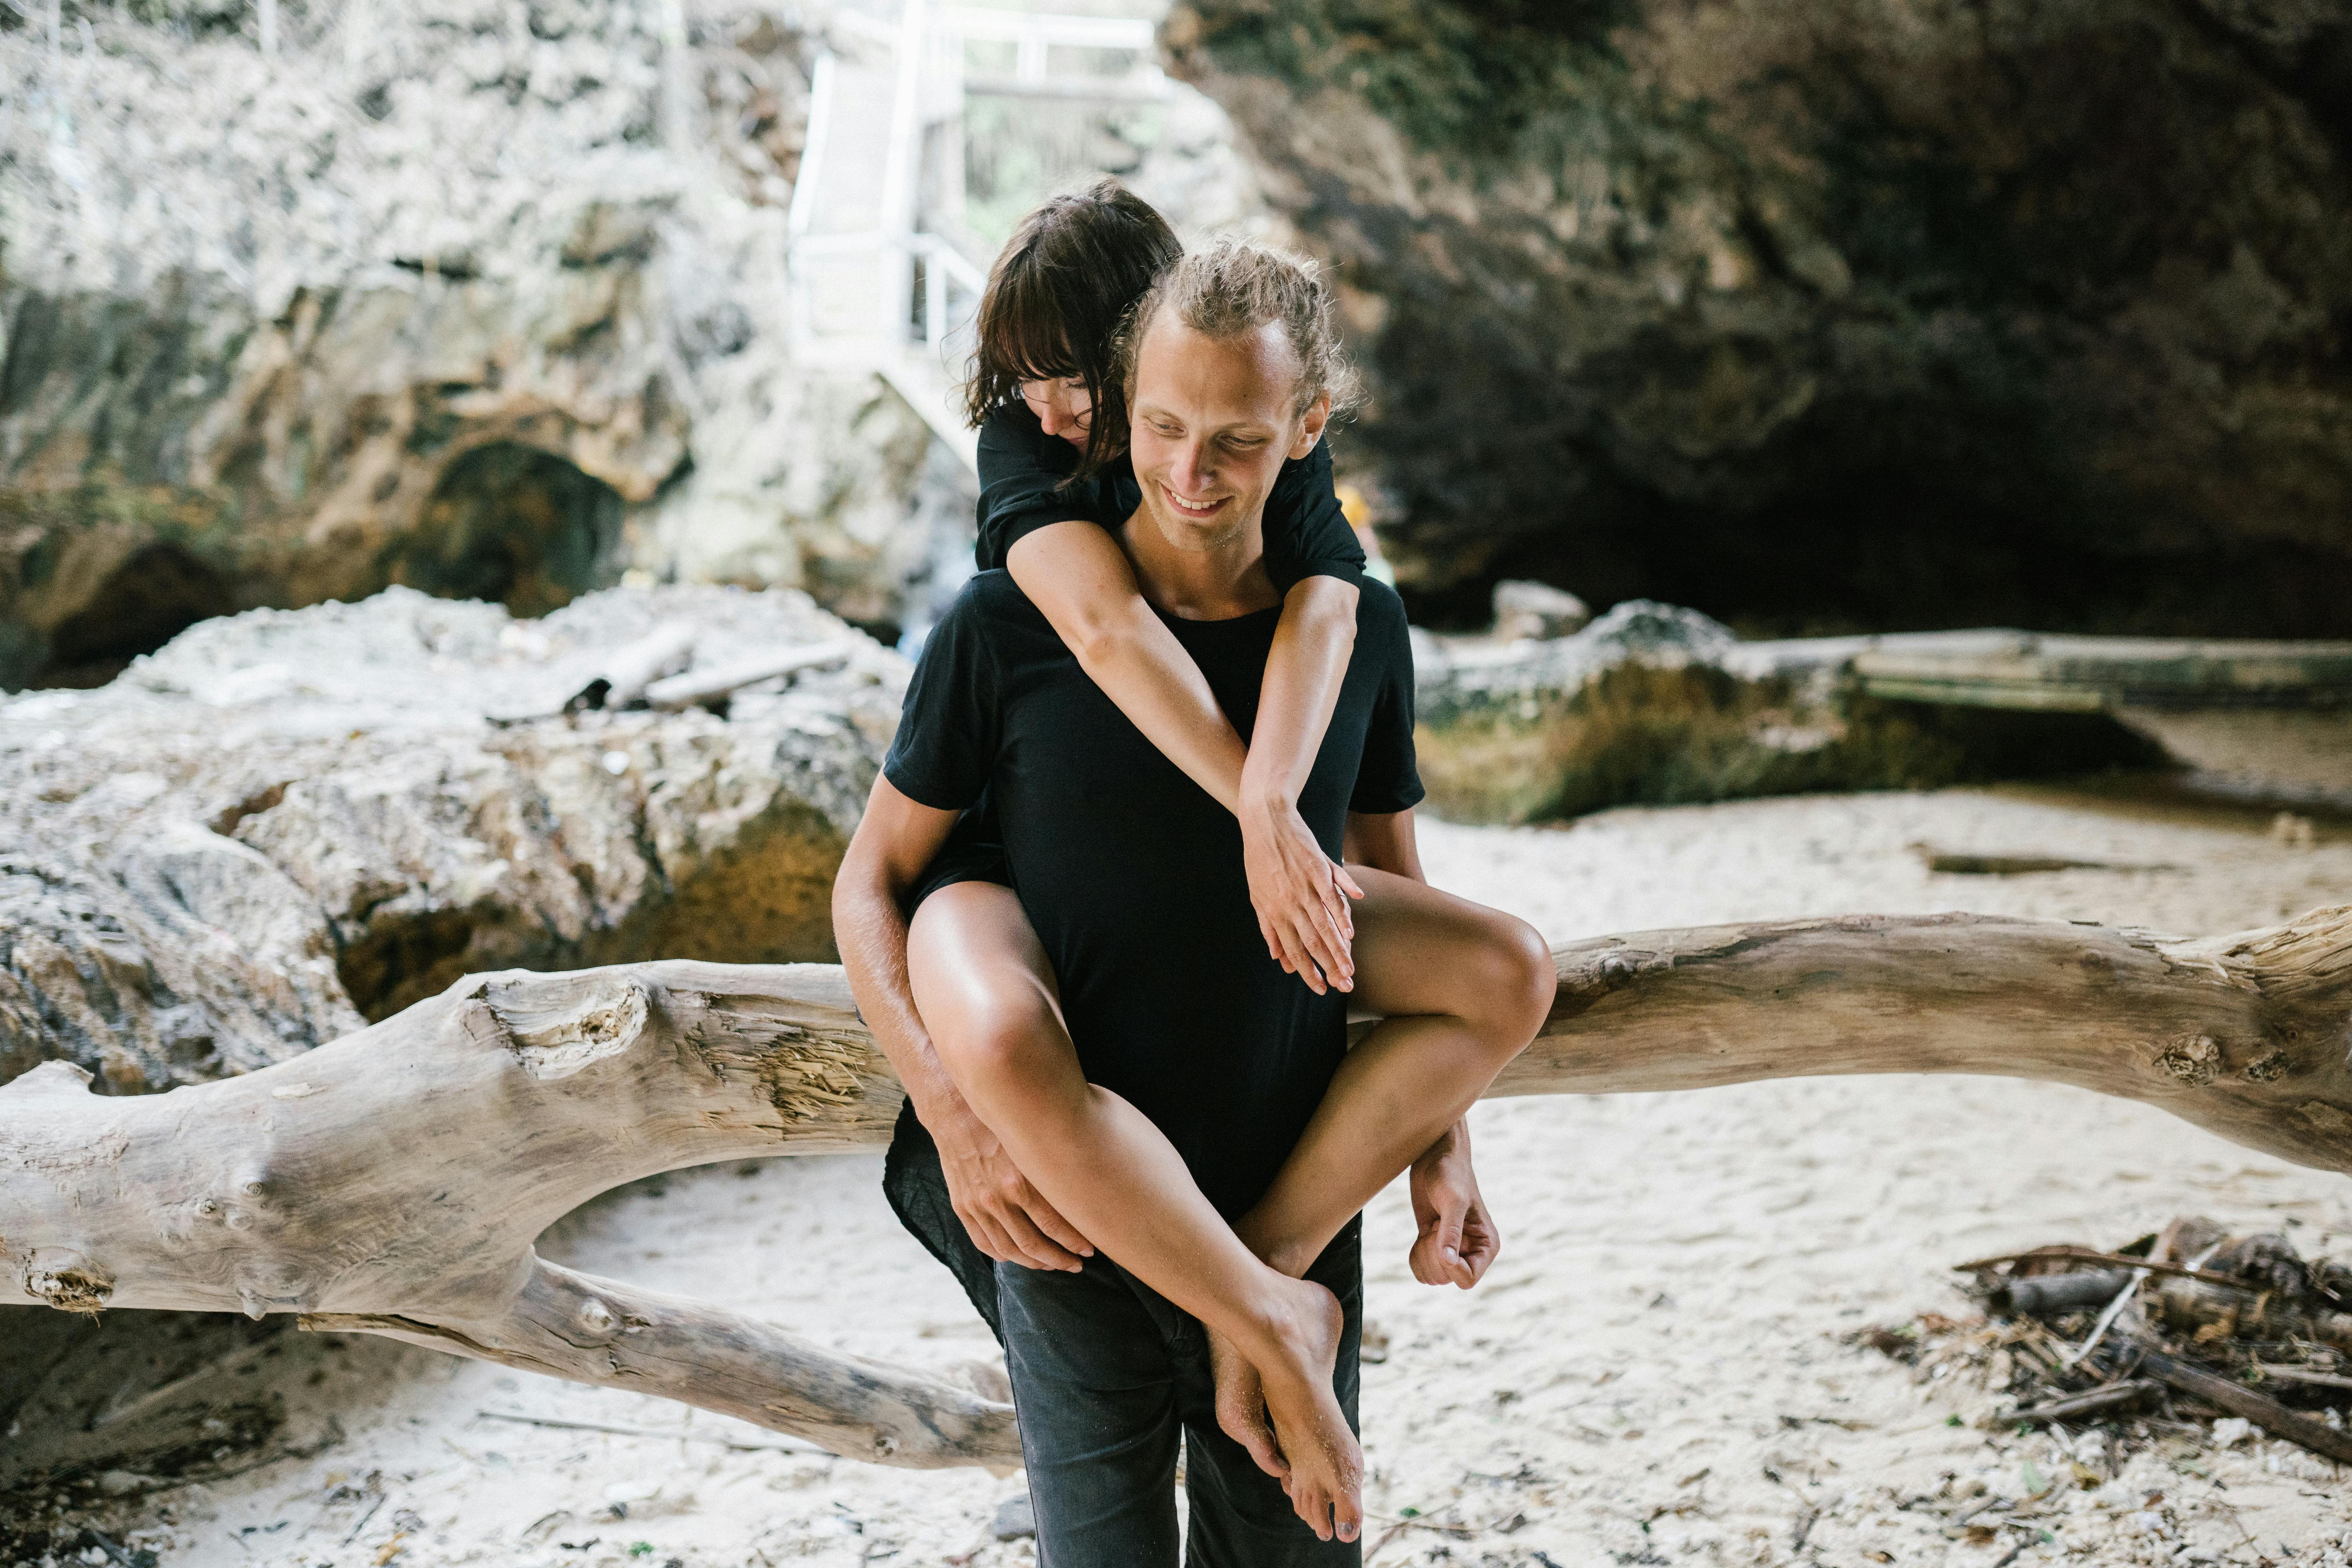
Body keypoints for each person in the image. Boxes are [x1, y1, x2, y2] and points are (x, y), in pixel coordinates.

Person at [833, 239, 1556, 1563]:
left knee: (1514, 965)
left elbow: (1393, 879)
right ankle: (1265, 1312)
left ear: (1307, 428)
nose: (1191, 471)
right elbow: (879, 876)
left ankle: (1267, 1289)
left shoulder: (1356, 624)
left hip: (1292, 1186)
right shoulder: (1006, 621)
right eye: (1164, 428)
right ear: (1127, 405)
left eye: (1238, 440)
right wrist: (954, 1112)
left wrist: (1444, 1144)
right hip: (1076, 1221)